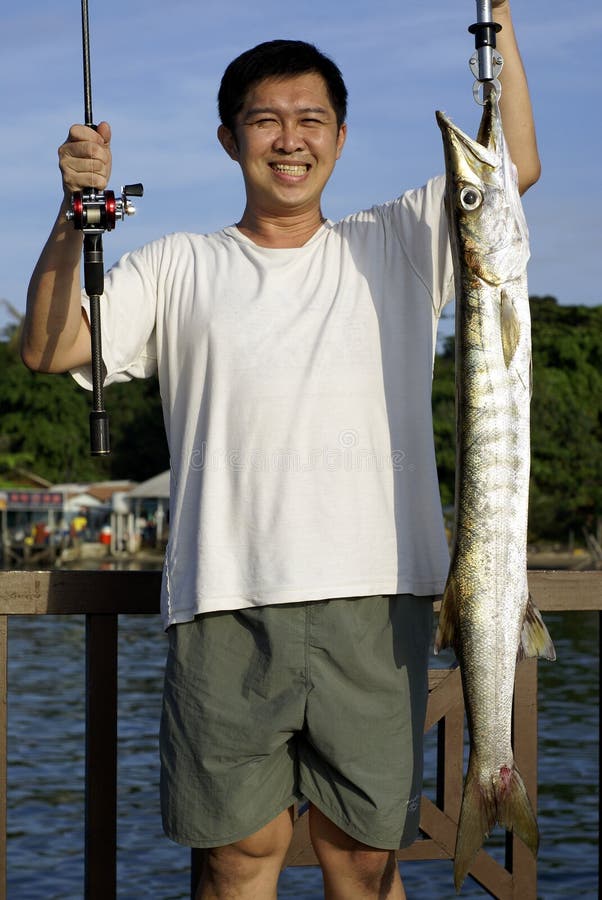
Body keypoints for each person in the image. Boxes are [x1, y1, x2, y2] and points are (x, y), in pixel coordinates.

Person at [22, 3, 540, 898]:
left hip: (377, 605)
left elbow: (513, 170)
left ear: (339, 136)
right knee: (234, 858)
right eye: (266, 119)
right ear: (230, 140)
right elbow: (49, 347)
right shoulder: (177, 264)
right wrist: (74, 216)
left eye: (311, 120)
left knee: (367, 861)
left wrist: (497, 18)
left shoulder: (402, 242)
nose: (289, 139)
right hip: (223, 600)